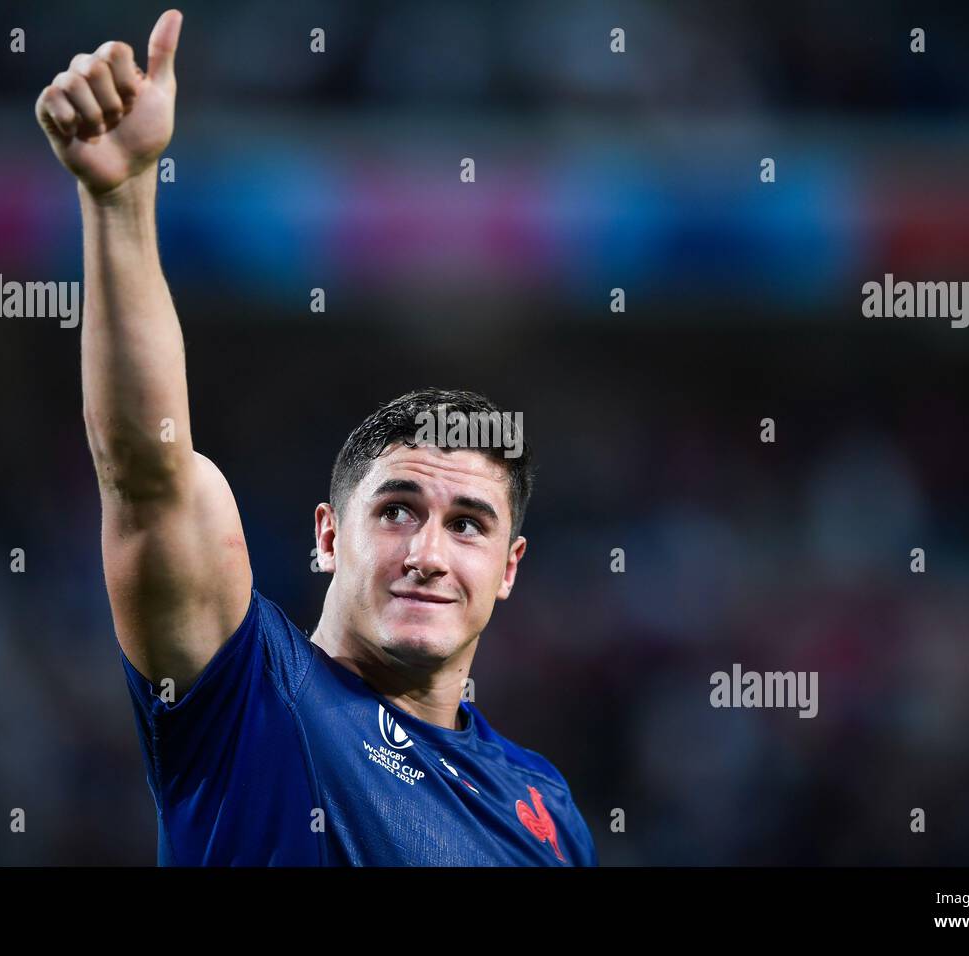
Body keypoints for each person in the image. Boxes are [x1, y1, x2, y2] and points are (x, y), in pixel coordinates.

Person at [34, 9, 598, 866]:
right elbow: (146, 474)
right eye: (399, 509)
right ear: (328, 537)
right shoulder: (252, 698)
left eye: (470, 524)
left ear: (510, 568)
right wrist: (118, 203)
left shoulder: (544, 810)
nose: (428, 553)